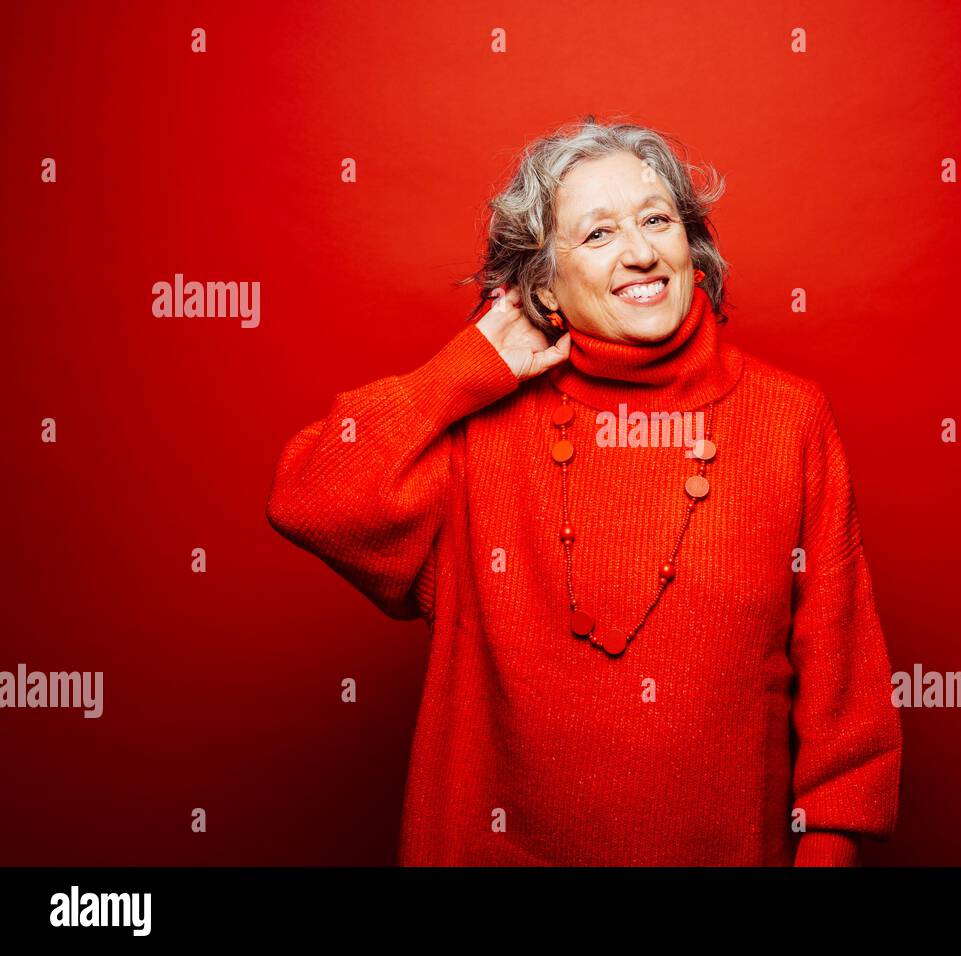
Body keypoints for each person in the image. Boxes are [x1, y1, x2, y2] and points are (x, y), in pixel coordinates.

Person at [265, 115, 902, 866]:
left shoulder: (789, 419)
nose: (640, 252)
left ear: (691, 245)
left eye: (657, 219)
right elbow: (310, 496)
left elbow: (843, 677)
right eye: (597, 235)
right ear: (542, 283)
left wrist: (829, 849)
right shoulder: (481, 430)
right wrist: (460, 371)